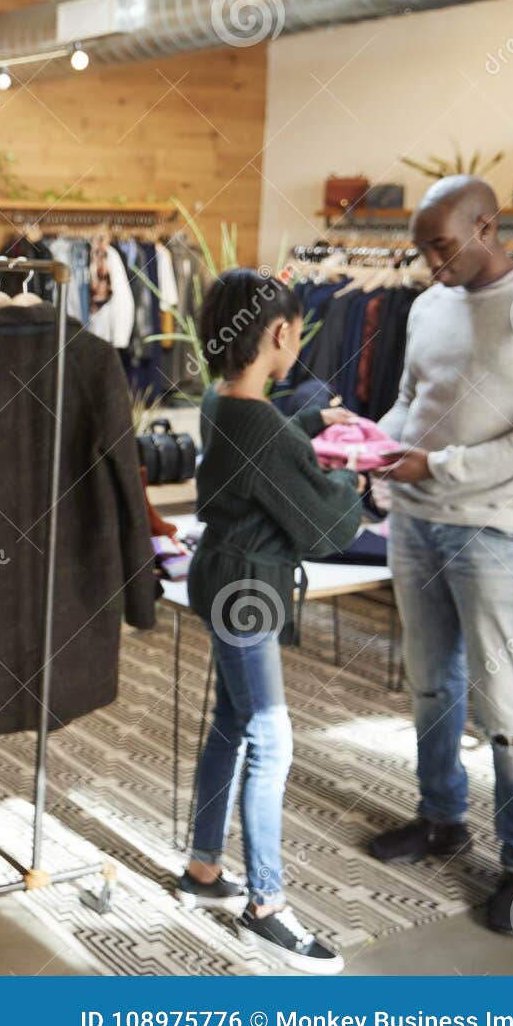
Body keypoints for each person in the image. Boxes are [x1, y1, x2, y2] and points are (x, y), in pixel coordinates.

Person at [371, 175, 513, 935]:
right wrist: (371, 442)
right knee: (432, 685)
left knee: (506, 700)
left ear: (487, 226)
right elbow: (412, 397)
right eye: (421, 252)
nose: (431, 264)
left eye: (441, 246)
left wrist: (443, 465)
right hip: (413, 519)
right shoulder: (429, 303)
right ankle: (440, 818)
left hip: (495, 528)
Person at [182, 268, 364, 974]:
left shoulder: (216, 401)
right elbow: (328, 524)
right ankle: (265, 904)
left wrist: (312, 425)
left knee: (232, 722)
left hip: (222, 577)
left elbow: (264, 435)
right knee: (272, 737)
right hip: (247, 591)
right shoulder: (259, 423)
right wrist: (355, 475)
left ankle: (203, 865)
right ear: (282, 334)